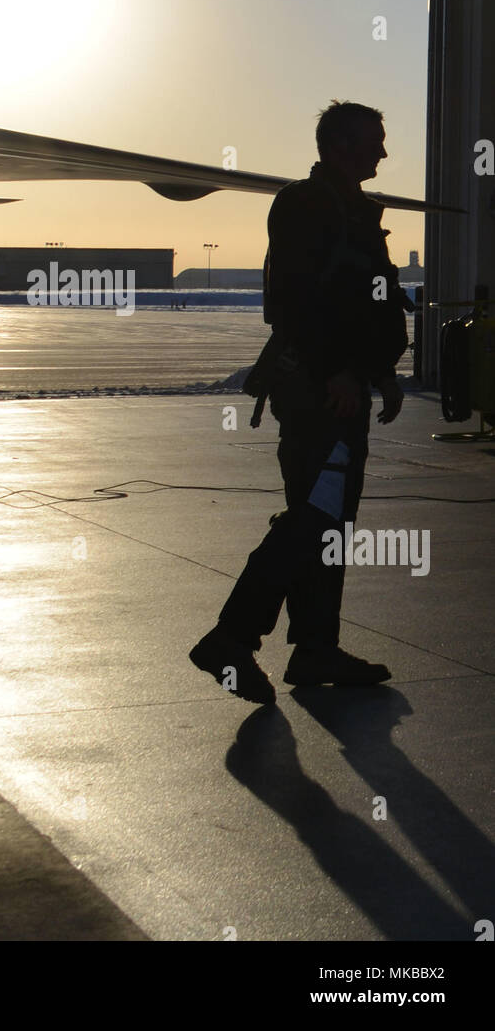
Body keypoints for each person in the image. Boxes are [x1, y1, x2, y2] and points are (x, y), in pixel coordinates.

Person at [190, 101, 411, 703]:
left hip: (341, 388)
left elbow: (367, 302)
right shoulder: (306, 206)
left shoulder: (351, 211)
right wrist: (338, 370)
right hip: (319, 393)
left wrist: (380, 372)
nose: (383, 154)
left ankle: (315, 650)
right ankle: (232, 636)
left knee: (329, 521)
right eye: (374, 141)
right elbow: (293, 304)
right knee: (315, 517)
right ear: (339, 144)